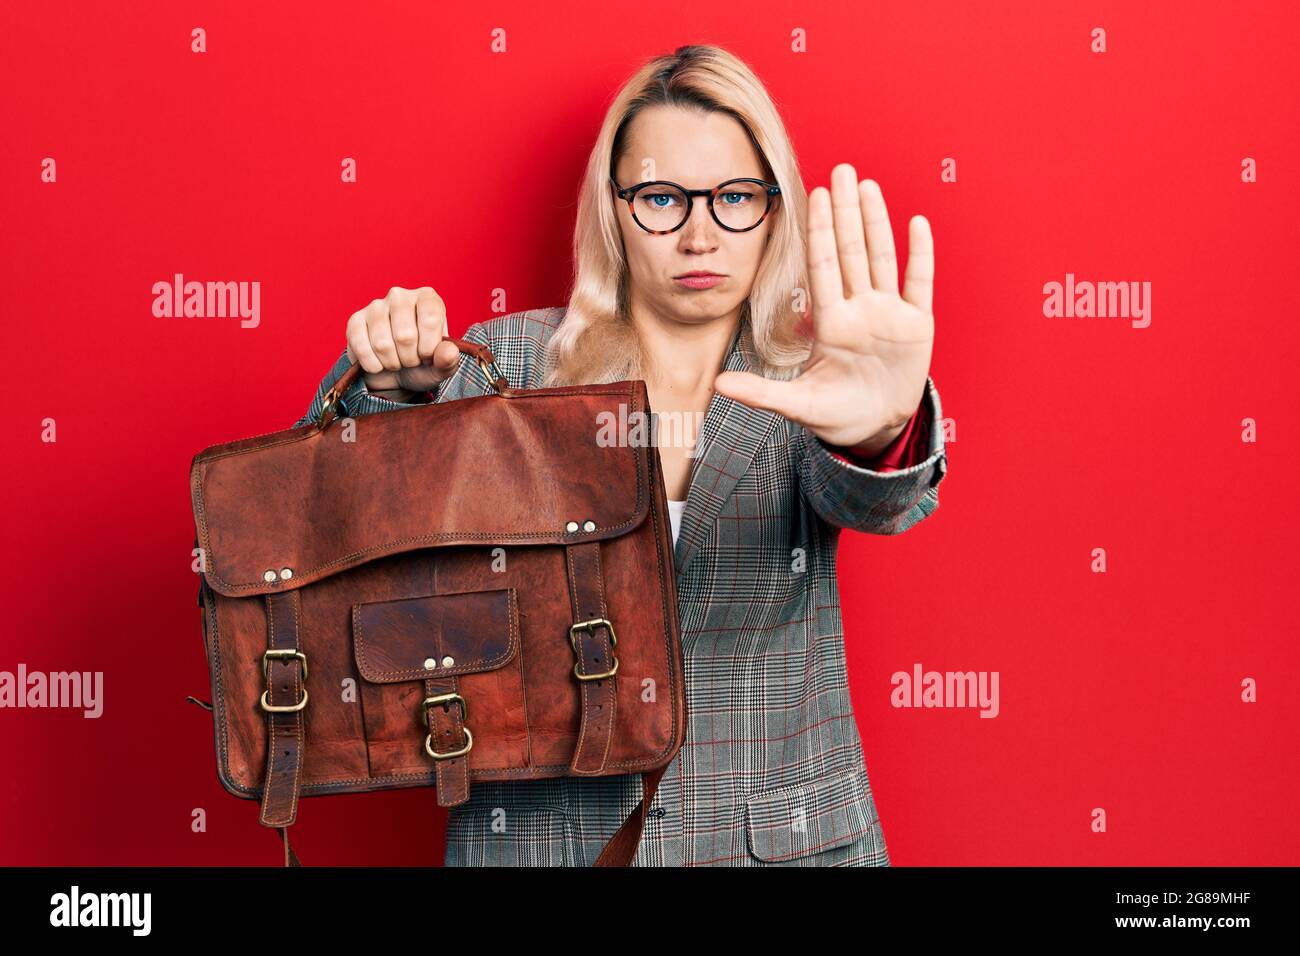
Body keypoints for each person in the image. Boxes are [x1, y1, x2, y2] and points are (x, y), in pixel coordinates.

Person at [295, 44, 948, 866]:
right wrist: (386, 389)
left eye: (735, 197)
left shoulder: (814, 381)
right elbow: (331, 523)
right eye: (662, 198)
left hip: (780, 844)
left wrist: (882, 432)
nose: (700, 235)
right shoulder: (507, 368)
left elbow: (874, 499)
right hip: (544, 844)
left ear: (774, 209)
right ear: (614, 209)